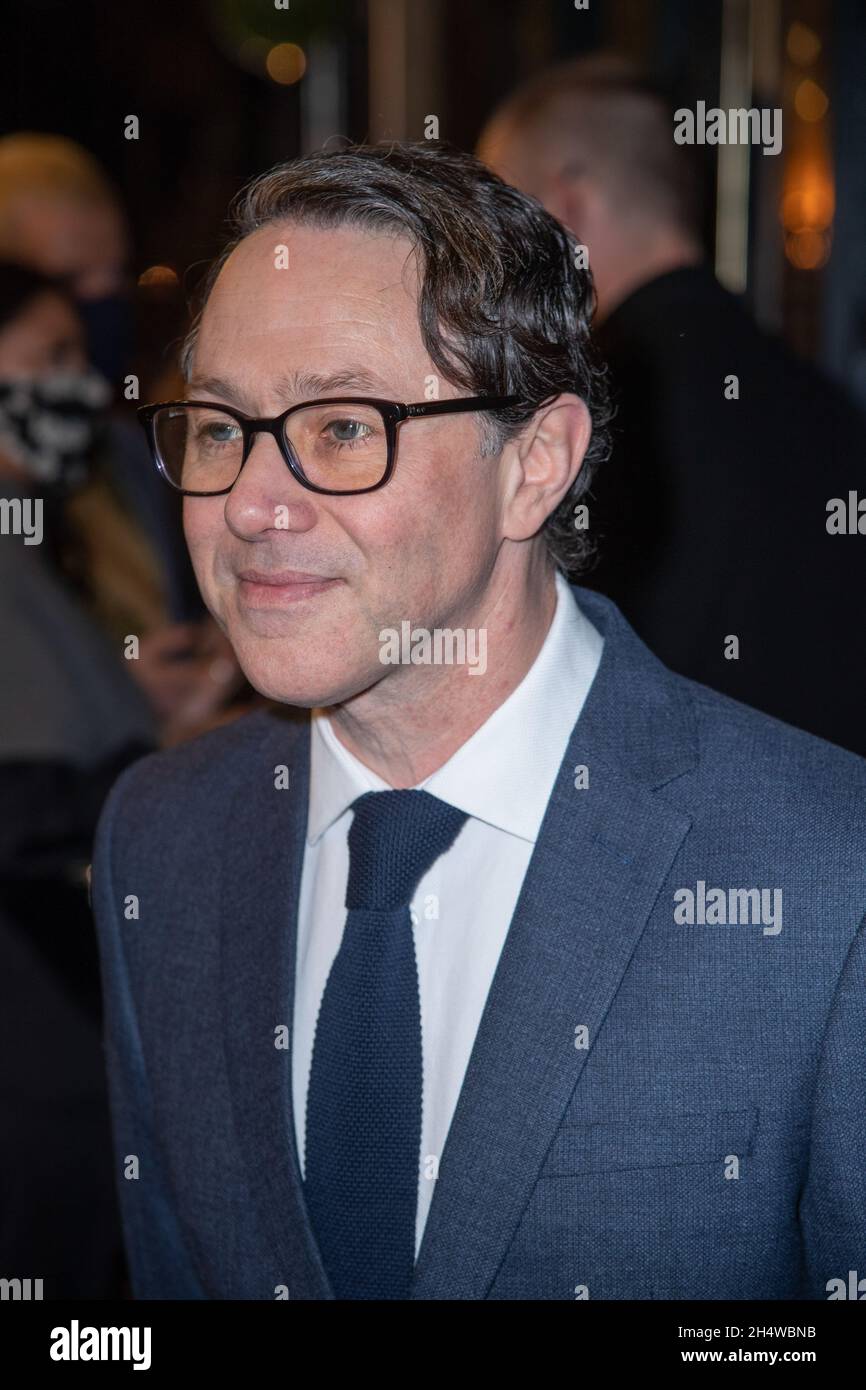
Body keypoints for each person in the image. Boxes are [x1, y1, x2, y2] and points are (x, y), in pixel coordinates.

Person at [92, 140, 866, 1301]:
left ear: (535, 464)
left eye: (341, 428)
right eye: (215, 427)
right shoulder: (161, 836)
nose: (249, 503)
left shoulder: (822, 872)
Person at [477, 56, 866, 757]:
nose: (488, 266)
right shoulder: (819, 398)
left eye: (501, 225)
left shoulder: (580, 413)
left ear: (566, 206)